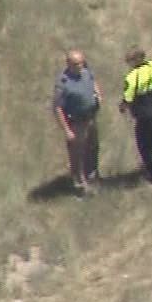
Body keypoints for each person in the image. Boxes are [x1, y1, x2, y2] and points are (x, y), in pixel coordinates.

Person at [119, 49, 152, 184]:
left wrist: (122, 108)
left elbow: (128, 99)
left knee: (145, 143)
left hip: (144, 112)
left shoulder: (132, 77)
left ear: (133, 61)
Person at [51, 50, 102, 196]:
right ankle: (80, 184)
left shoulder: (86, 73)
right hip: (76, 122)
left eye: (81, 62)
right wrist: (67, 130)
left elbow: (93, 81)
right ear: (68, 64)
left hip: (91, 117)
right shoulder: (63, 83)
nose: (80, 66)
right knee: (77, 154)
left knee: (93, 148)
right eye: (76, 64)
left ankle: (92, 176)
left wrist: (98, 94)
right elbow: (58, 108)